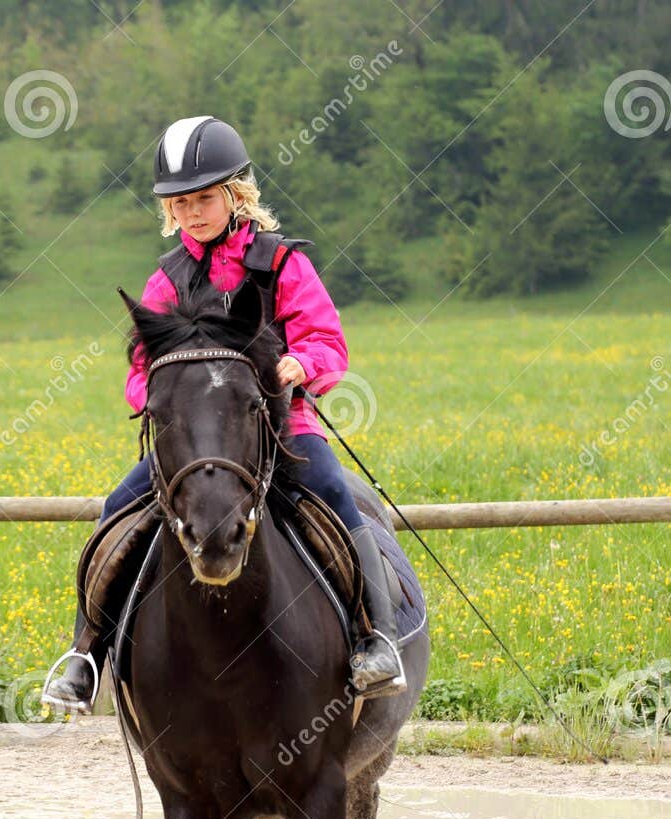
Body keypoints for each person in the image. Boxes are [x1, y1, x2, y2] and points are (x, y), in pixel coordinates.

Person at [41, 115, 404, 712]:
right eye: (178, 204)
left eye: (203, 199)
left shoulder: (282, 264)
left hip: (280, 430)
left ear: (236, 193)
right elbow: (140, 368)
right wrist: (155, 398)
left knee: (334, 493)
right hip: (190, 441)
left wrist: (300, 366)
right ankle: (87, 654)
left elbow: (328, 343)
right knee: (116, 508)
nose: (191, 214)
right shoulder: (167, 279)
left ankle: (375, 640)